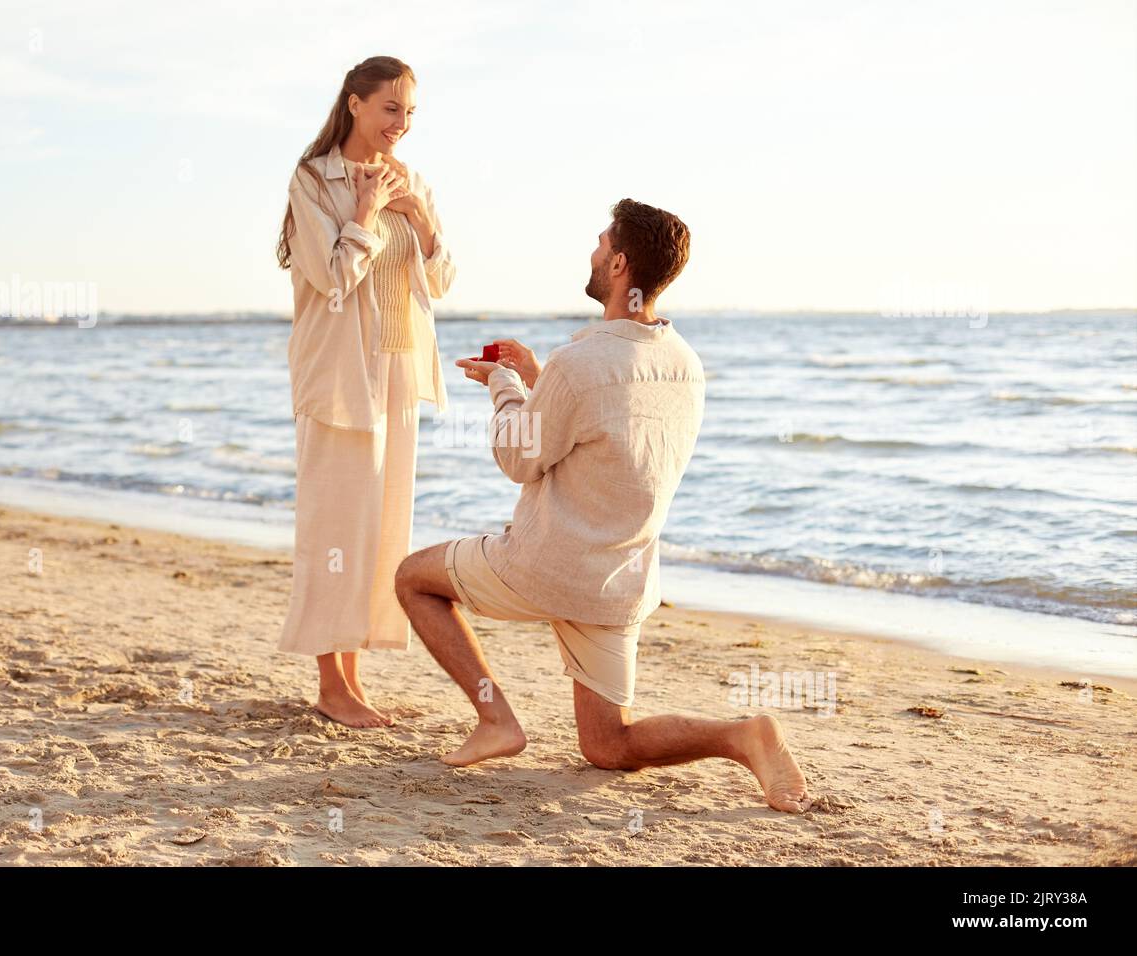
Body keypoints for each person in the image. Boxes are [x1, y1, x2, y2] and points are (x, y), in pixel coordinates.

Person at [394, 199, 812, 813]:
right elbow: (610, 436)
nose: (591, 254)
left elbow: (518, 458)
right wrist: (540, 378)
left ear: (619, 263)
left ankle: (496, 719)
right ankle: (742, 735)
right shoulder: (685, 365)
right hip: (618, 582)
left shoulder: (580, 362)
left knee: (413, 579)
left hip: (544, 566)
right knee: (608, 746)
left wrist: (505, 385)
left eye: (598, 244)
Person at [275, 55, 454, 728]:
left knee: (379, 531)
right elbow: (329, 278)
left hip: (398, 371)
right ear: (354, 104)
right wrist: (366, 213)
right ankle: (330, 683)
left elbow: (440, 280)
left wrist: (419, 218)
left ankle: (351, 676)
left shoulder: (414, 179)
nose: (401, 124)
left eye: (410, 113)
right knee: (334, 527)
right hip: (339, 376)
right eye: (390, 109)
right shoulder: (313, 180)